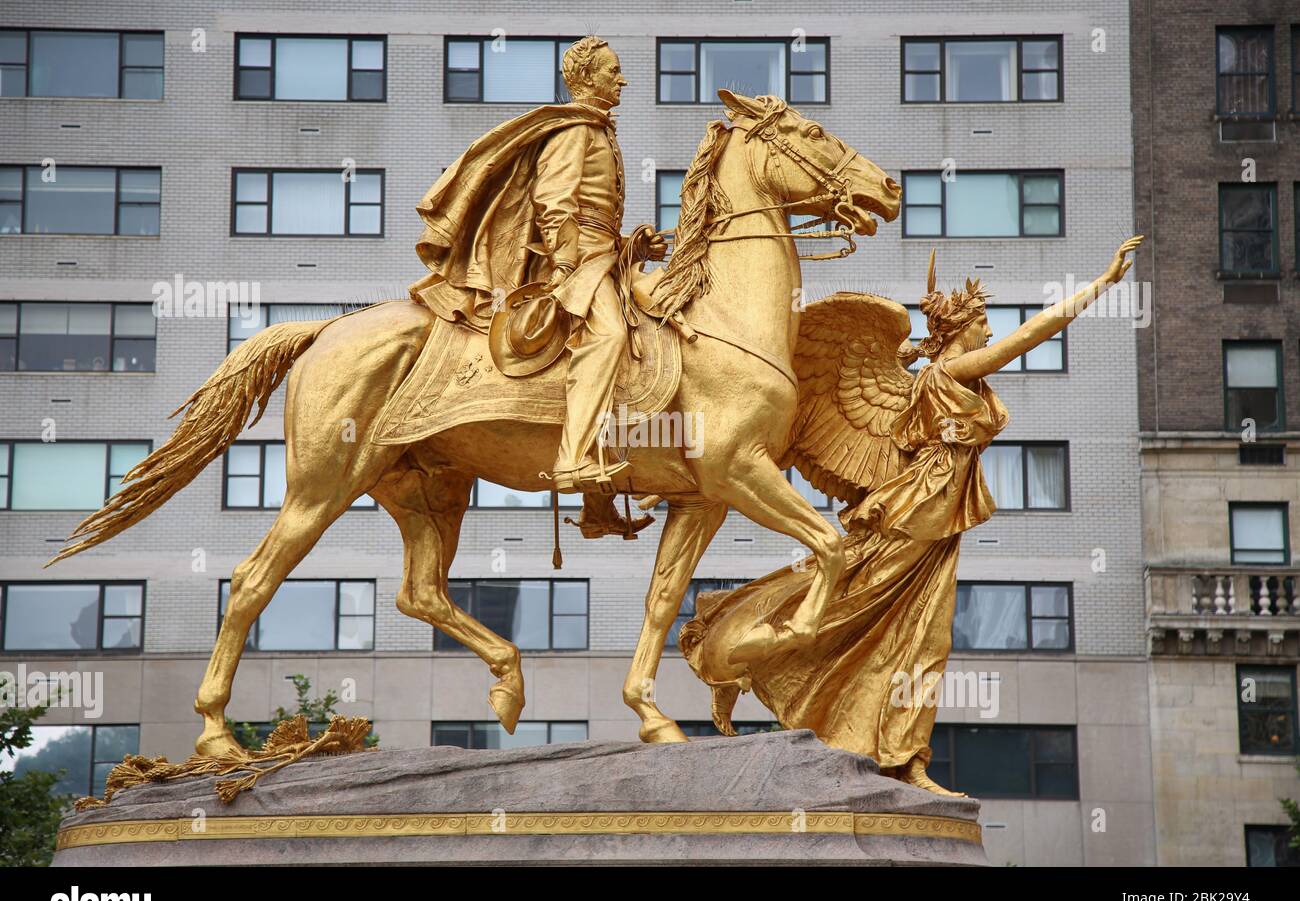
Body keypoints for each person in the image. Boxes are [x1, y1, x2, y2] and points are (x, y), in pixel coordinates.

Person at [679, 238, 1142, 796]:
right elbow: (1026, 338)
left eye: (987, 326)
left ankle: (904, 761)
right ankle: (740, 656)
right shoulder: (946, 377)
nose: (988, 333)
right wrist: (1100, 285)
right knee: (843, 609)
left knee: (923, 642)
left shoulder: (945, 382)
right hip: (913, 519)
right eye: (980, 325)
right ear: (957, 335)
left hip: (938, 533)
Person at [406, 36, 665, 530]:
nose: (622, 80)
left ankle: (598, 501)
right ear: (587, 78)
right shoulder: (574, 132)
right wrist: (568, 267)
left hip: (602, 254)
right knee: (607, 335)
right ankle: (573, 459)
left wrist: (634, 243)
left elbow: (594, 217)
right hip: (579, 262)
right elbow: (555, 202)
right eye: (613, 71)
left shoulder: (598, 131)